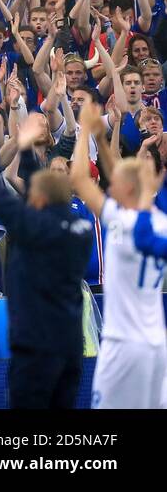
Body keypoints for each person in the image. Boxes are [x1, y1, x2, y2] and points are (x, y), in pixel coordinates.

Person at [0, 106, 94, 409]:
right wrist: (25, 147)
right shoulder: (81, 227)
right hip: (69, 345)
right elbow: (40, 189)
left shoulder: (31, 225)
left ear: (36, 199)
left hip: (34, 346)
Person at [69, 101, 167, 409]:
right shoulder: (162, 224)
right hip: (155, 342)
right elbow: (126, 179)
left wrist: (86, 131)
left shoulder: (120, 219)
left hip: (122, 344)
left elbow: (80, 180)